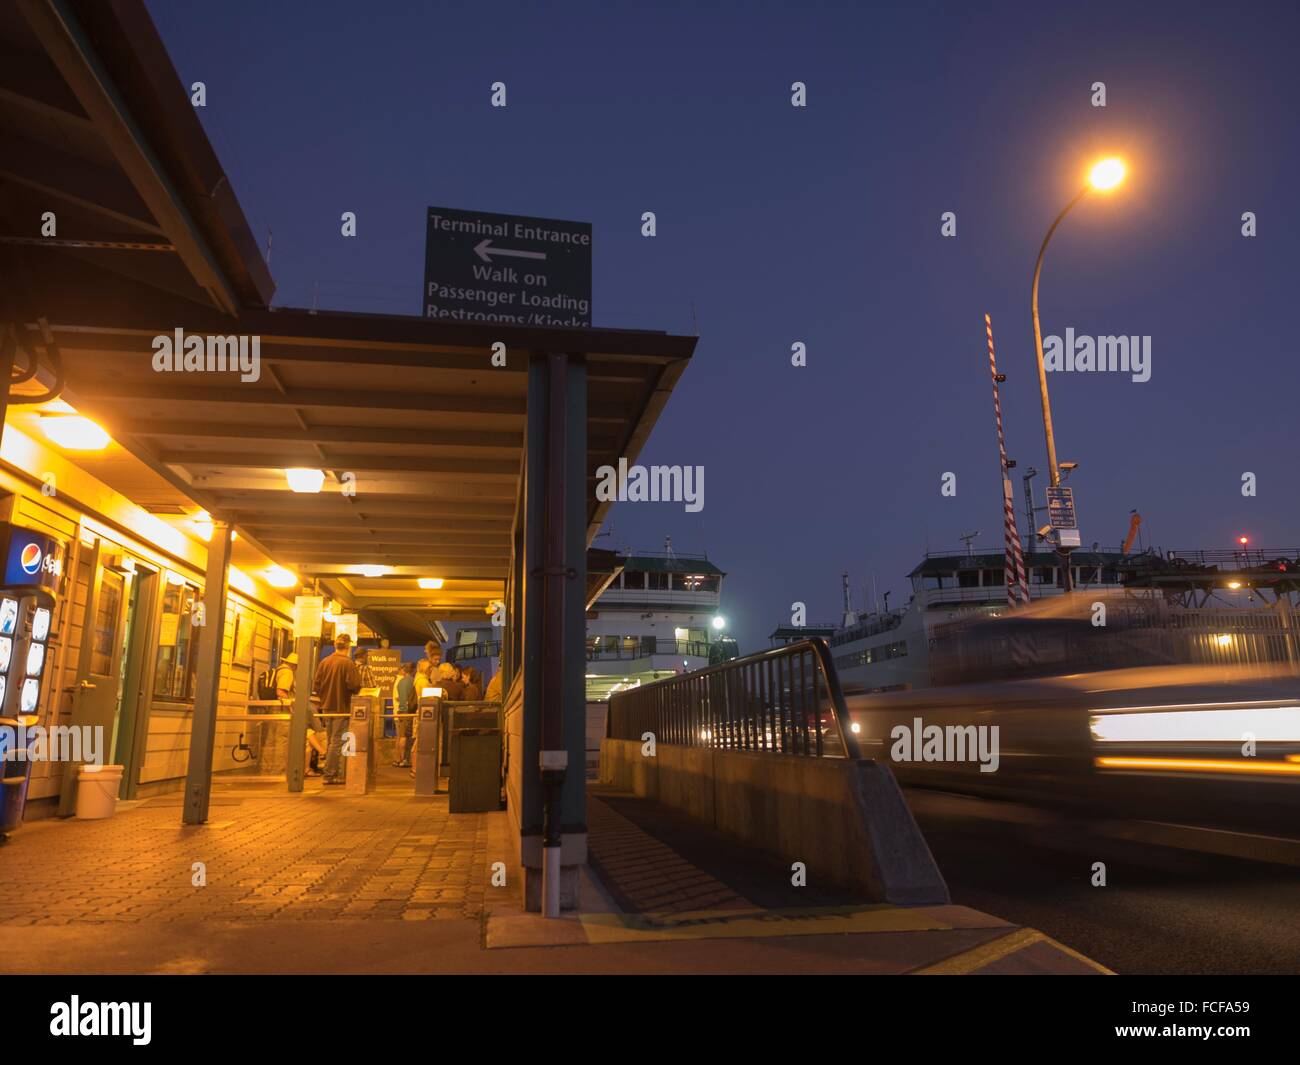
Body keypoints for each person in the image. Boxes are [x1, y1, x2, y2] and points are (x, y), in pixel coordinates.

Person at [312, 633, 361, 785]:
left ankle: (335, 772)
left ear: (335, 645)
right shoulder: (348, 663)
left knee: (331, 740)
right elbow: (354, 685)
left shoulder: (324, 662)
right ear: (348, 646)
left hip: (326, 707)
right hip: (342, 707)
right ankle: (331, 774)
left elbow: (316, 685)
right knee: (338, 741)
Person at [276, 651, 323, 778]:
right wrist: (292, 706)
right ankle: (301, 769)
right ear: (294, 665)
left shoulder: (278, 670)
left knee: (305, 736)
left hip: (278, 713)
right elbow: (281, 692)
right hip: (286, 713)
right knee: (305, 739)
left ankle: (302, 767)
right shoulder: (287, 673)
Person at [392, 661, 417, 767]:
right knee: (407, 736)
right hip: (408, 711)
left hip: (400, 710)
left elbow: (399, 697)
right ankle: (405, 759)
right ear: (413, 670)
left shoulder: (400, 682)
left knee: (400, 736)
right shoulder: (413, 682)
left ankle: (398, 759)